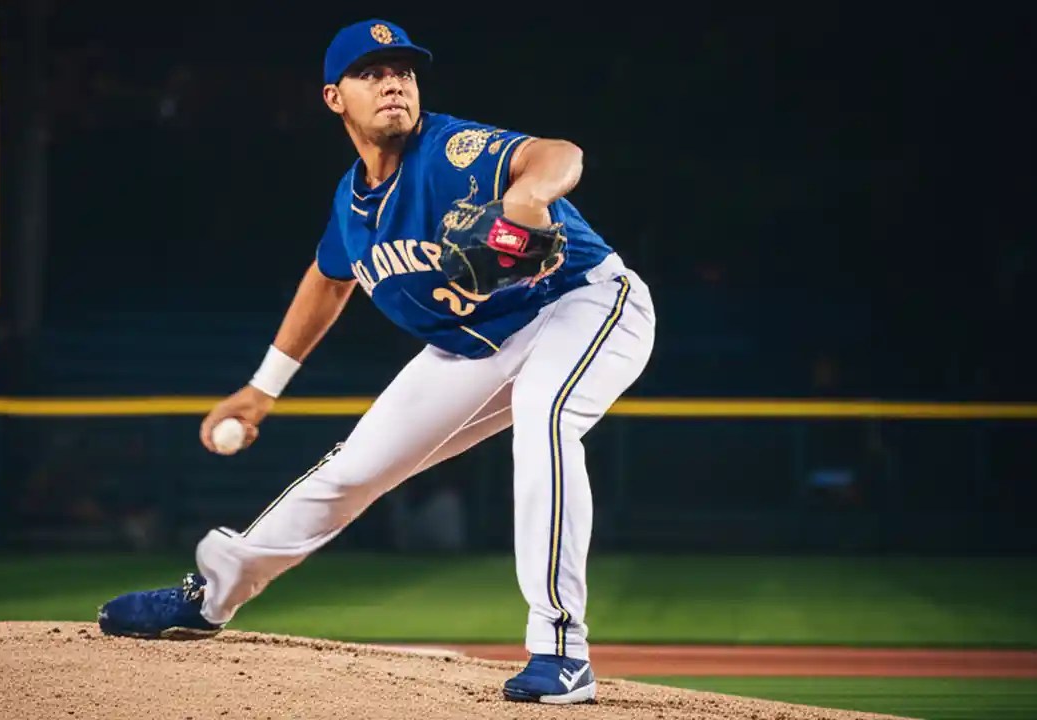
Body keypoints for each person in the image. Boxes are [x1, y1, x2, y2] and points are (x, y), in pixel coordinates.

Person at [97, 18, 656, 705]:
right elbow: (329, 280)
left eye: (404, 70)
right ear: (334, 97)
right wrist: (261, 388)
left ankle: (561, 649)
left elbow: (556, 152)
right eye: (370, 71)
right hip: (471, 345)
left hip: (584, 305)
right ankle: (210, 597)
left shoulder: (450, 149)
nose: (393, 80)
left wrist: (527, 195)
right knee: (353, 469)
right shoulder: (353, 205)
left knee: (546, 416)